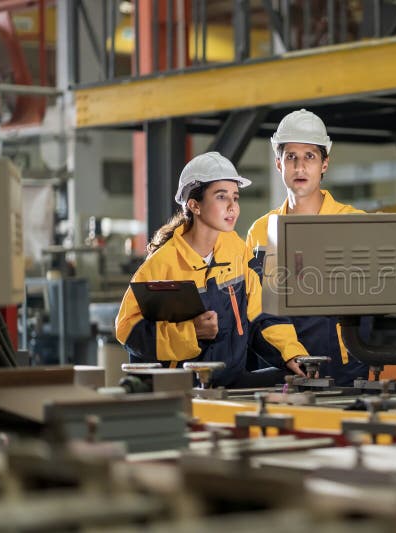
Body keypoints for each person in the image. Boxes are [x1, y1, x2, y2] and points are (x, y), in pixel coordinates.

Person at [115, 151, 308, 387]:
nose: (232, 206)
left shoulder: (237, 251)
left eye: (235, 198)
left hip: (230, 381)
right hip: (182, 387)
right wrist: (191, 332)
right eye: (221, 197)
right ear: (194, 205)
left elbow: (261, 316)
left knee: (298, 381)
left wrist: (291, 353)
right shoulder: (161, 265)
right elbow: (128, 330)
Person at [246, 109, 369, 386]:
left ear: (325, 164)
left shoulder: (353, 223)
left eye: (309, 157)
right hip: (278, 367)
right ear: (279, 164)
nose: (300, 167)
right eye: (291, 157)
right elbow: (254, 305)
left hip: (343, 369)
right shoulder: (260, 230)